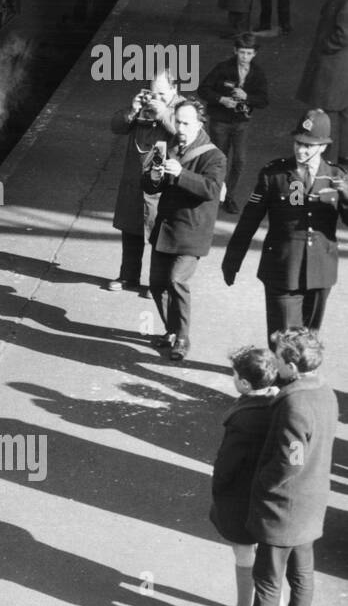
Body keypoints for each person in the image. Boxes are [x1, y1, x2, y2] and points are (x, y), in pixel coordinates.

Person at [206, 329, 336, 606]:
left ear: (291, 365)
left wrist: (262, 486)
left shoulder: (294, 403)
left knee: (267, 579)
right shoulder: (324, 391)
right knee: (302, 575)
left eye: (279, 358)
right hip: (313, 499)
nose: (275, 362)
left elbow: (289, 461)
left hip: (285, 506)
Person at [222, 109, 348, 335]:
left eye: (308, 145)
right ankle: (282, 370)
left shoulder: (337, 176)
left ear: (322, 146)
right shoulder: (274, 174)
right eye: (298, 142)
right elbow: (249, 221)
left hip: (320, 270)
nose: (301, 149)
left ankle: (299, 370)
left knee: (309, 340)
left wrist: (347, 197)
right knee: (283, 337)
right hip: (282, 267)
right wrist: (232, 260)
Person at [206, 347, 287, 606]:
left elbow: (227, 464)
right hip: (272, 495)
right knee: (270, 553)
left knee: (244, 553)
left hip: (242, 497)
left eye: (234, 374)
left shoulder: (243, 419)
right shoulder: (280, 404)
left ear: (244, 384)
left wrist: (218, 488)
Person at [141, 97, 225, 361]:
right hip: (165, 228)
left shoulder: (214, 156)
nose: (181, 128)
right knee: (156, 284)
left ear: (199, 124)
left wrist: (180, 174)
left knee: (177, 281)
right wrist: (154, 175)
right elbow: (150, 186)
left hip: (191, 231)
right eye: (178, 121)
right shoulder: (167, 147)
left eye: (187, 123)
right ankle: (171, 329)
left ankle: (183, 337)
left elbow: (211, 189)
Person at [108, 72, 179, 294]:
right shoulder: (144, 107)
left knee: (160, 235)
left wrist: (165, 114)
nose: (156, 98)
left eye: (162, 93)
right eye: (153, 92)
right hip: (136, 178)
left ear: (174, 91)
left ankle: (158, 284)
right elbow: (116, 126)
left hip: (163, 183)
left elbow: (185, 135)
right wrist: (133, 110)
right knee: (131, 229)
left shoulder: (183, 109)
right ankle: (128, 276)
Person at [199, 33, 269, 213]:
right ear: (235, 51)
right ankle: (214, 194)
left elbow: (263, 100)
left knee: (239, 160)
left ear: (254, 54)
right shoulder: (222, 68)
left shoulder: (258, 73)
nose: (245, 57)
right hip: (220, 121)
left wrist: (248, 97)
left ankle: (228, 196)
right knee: (219, 159)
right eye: (242, 53)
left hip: (241, 122)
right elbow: (203, 89)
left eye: (249, 53)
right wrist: (221, 99)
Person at [297, 0, 348, 159]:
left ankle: (329, 164)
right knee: (339, 115)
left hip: (333, 67)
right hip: (338, 66)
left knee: (329, 116)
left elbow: (343, 33)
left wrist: (323, 47)